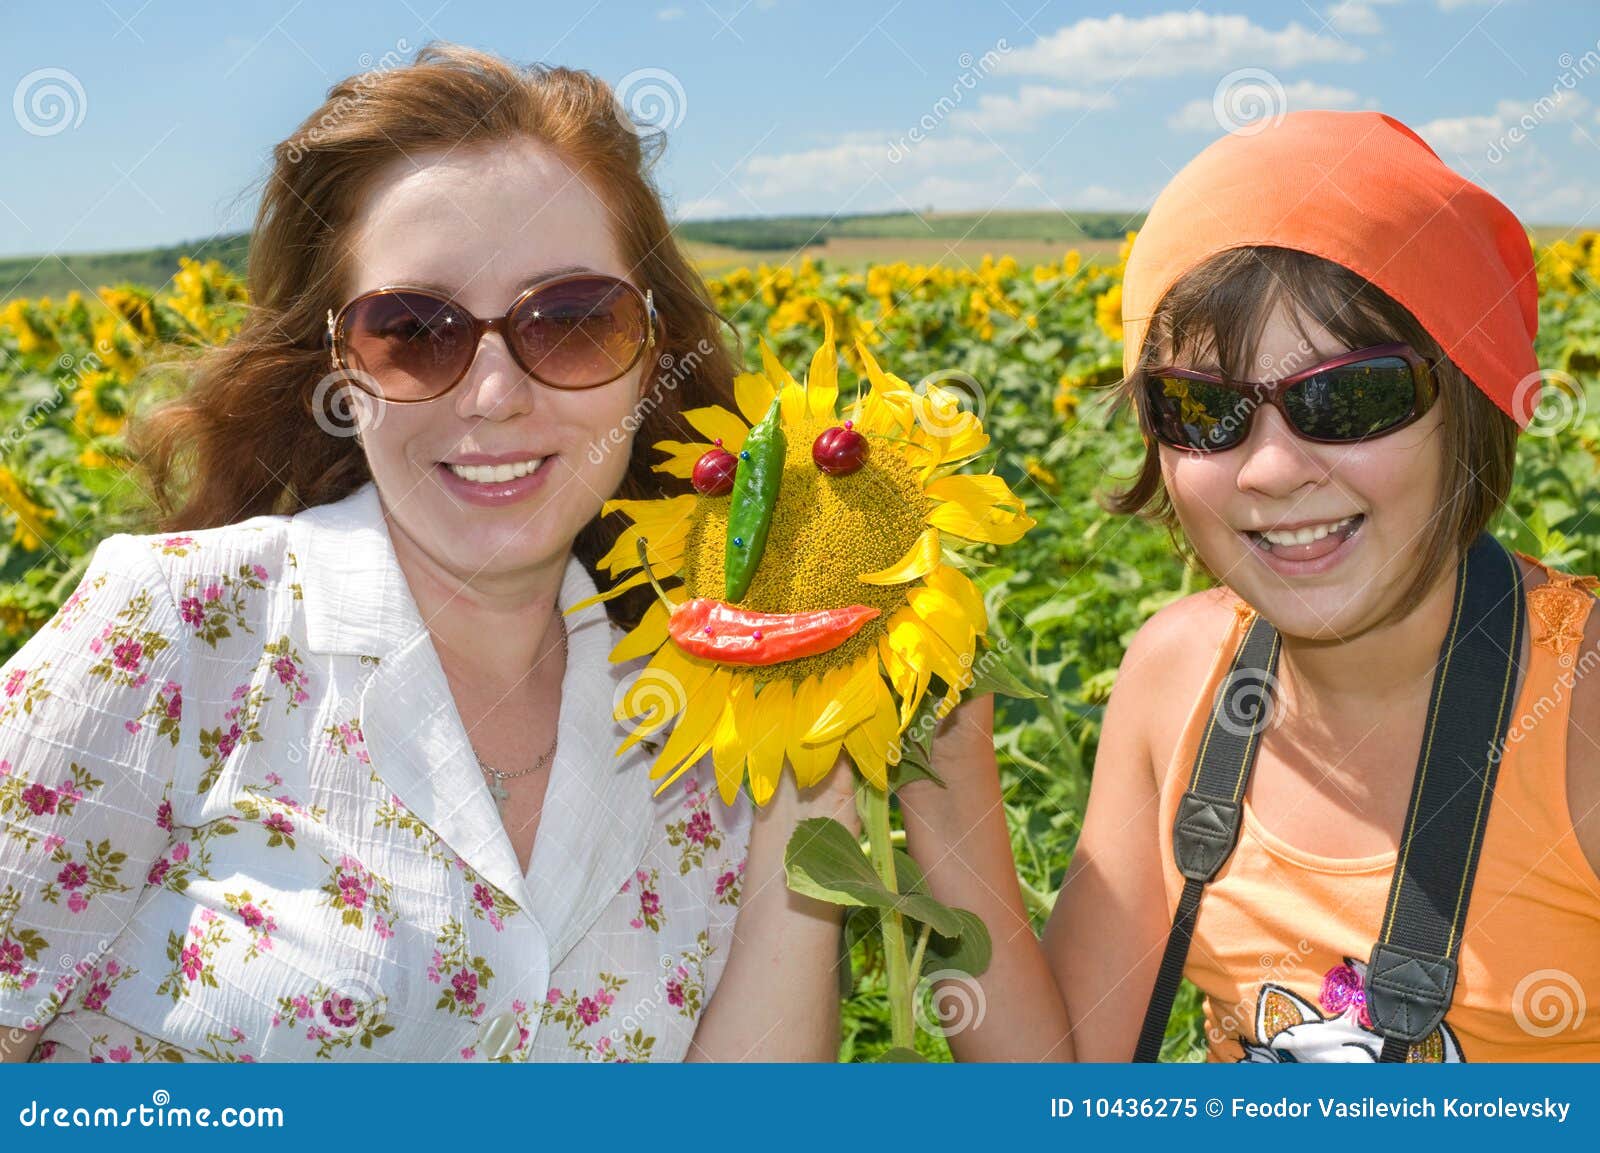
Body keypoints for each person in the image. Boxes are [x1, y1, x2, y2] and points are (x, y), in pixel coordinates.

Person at [0, 43, 853, 1064]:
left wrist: (821, 734)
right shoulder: (183, 624)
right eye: (413, 330)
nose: (493, 395)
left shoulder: (706, 736)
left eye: (574, 320)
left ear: (649, 357)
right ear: (339, 370)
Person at [906, 110, 1600, 1062]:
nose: (1272, 468)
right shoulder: (1173, 680)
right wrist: (942, 777)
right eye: (1204, 408)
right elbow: (1058, 1095)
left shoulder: (1581, 711)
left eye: (1348, 396)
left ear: (1473, 402)